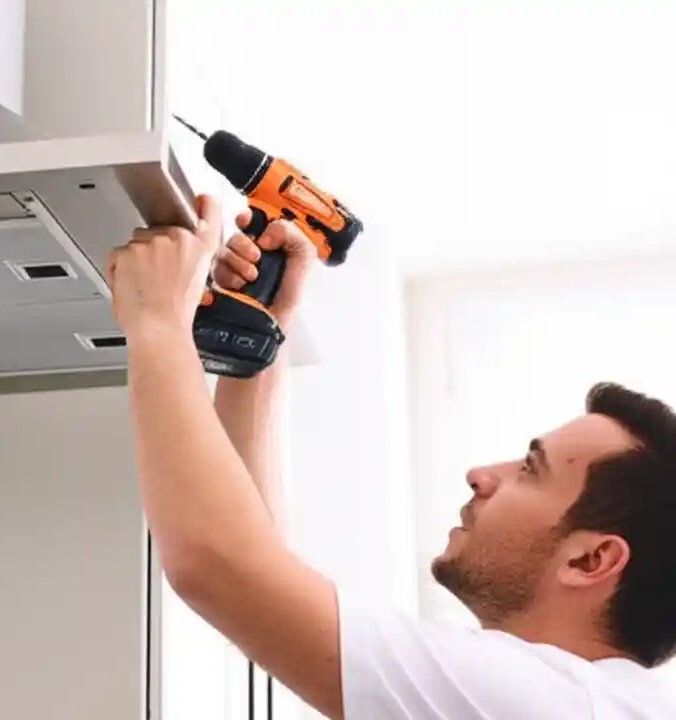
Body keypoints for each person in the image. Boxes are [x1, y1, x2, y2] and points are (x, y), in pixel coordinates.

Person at [104, 194, 676, 719]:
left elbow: (223, 567)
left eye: (531, 470)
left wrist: (156, 319)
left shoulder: (558, 705)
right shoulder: (575, 700)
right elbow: (259, 582)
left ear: (591, 560)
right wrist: (264, 337)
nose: (481, 475)